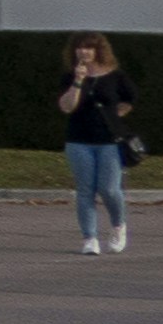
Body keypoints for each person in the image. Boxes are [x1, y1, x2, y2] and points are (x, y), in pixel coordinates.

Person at [57, 33, 135, 255]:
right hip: (78, 141)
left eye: (89, 48)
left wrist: (115, 116)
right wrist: (78, 81)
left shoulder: (116, 76)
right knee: (85, 190)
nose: (84, 52)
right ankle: (89, 238)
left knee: (109, 189)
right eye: (80, 48)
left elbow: (130, 98)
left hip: (109, 141)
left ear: (99, 51)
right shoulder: (69, 76)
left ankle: (118, 225)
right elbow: (66, 107)